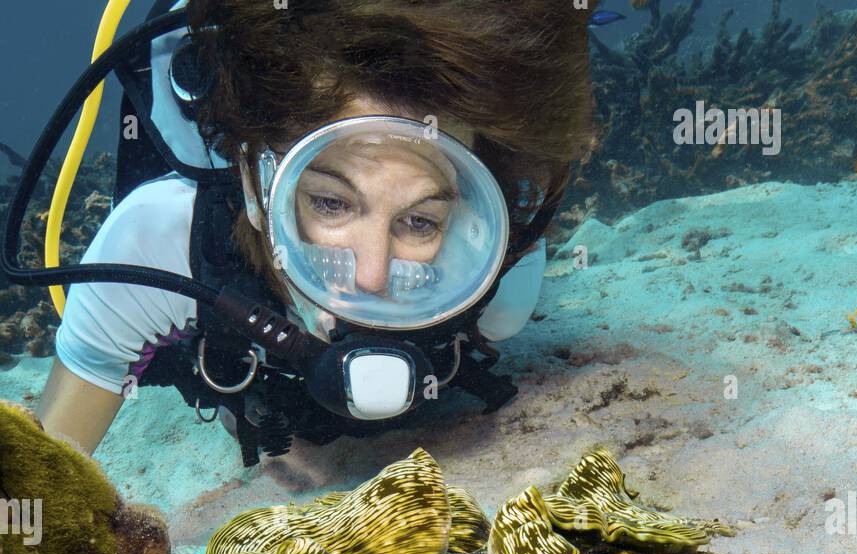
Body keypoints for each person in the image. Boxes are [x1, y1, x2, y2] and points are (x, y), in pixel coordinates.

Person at [28, 0, 594, 465]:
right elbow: (42, 487)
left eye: (420, 221)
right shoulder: (154, 246)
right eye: (330, 202)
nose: (372, 276)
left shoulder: (500, 285)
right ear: (255, 182)